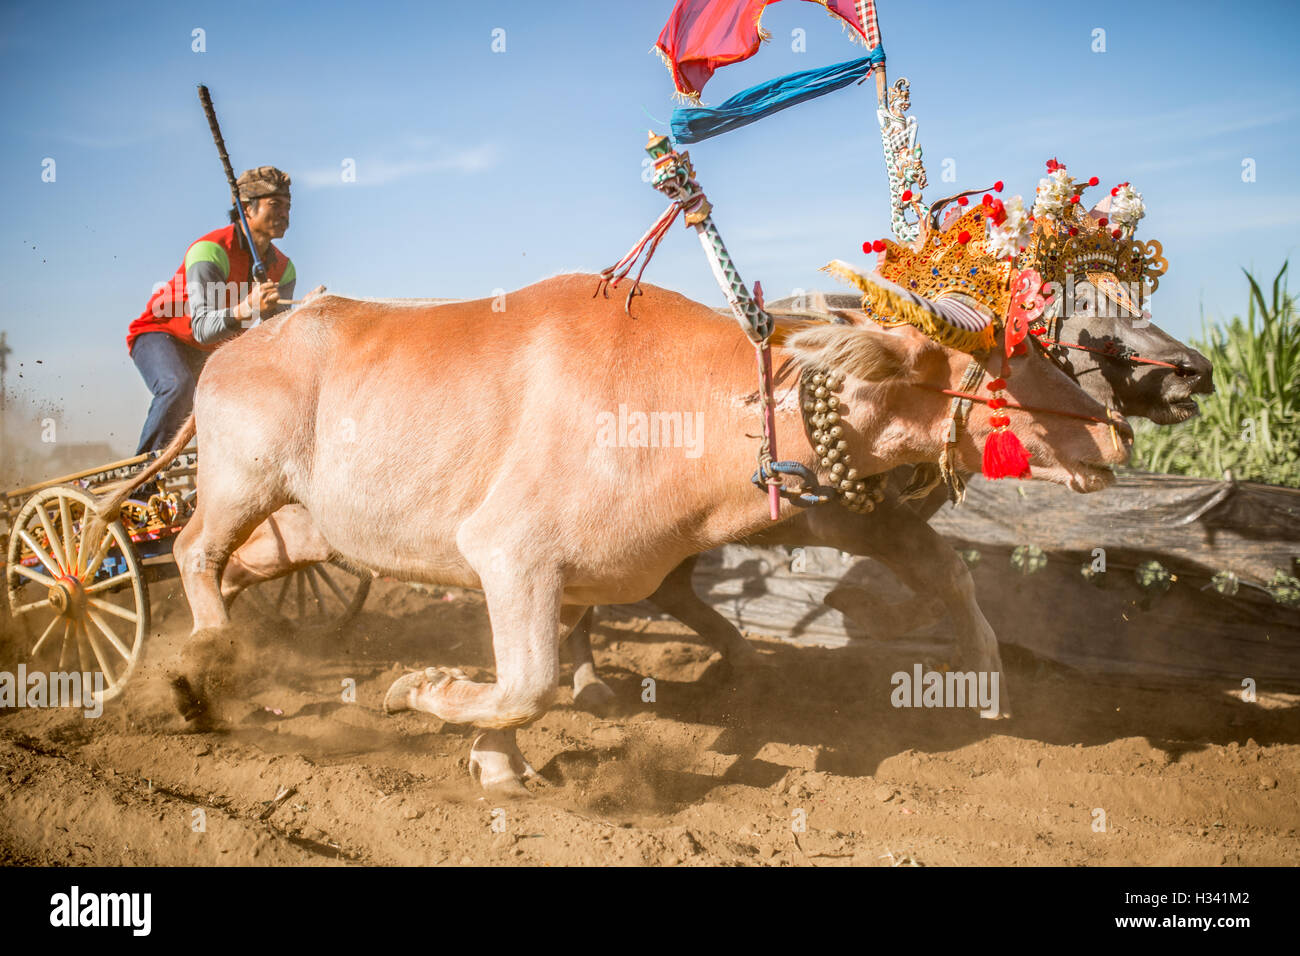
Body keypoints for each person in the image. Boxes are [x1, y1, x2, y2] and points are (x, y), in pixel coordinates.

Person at [126, 166, 323, 454]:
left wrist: (301, 315)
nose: (285, 215)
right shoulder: (210, 250)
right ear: (246, 209)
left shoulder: (284, 268)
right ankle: (143, 476)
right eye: (275, 205)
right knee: (178, 387)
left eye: (288, 207)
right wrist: (247, 308)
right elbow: (203, 329)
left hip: (213, 348)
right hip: (161, 335)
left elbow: (275, 340)